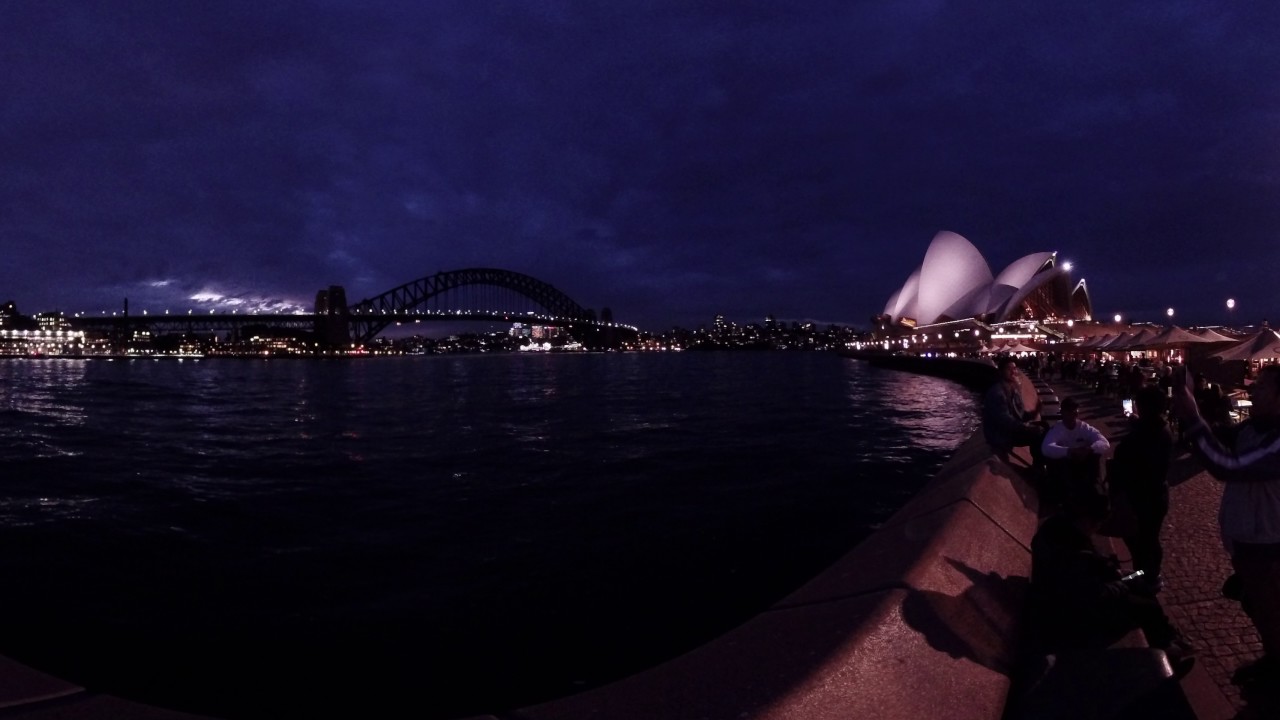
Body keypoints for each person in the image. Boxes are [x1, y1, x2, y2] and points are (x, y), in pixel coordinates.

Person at [1173, 364, 1280, 686]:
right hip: (1248, 540)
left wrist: (1193, 416)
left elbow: (1226, 466)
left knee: (1272, 611)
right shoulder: (1254, 428)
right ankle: (1272, 658)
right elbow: (1219, 438)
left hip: (1269, 544)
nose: (1252, 390)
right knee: (1259, 607)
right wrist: (1190, 402)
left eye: (1261, 386)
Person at [1029, 492, 1193, 670]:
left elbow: (1087, 574)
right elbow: (1094, 593)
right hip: (1076, 613)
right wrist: (1121, 582)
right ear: (1085, 519)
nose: (1097, 528)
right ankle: (1168, 652)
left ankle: (1167, 636)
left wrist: (1122, 574)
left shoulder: (1056, 528)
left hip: (1067, 595)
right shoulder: (1077, 556)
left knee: (1138, 579)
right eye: (1096, 523)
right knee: (1146, 604)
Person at [1112, 386, 1176, 592]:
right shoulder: (1159, 428)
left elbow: (1125, 457)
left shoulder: (1145, 434)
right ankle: (1147, 575)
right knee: (1149, 538)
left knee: (1141, 540)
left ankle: (1145, 578)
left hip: (1143, 496)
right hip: (1156, 494)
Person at [1040, 397, 1110, 508]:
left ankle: (1095, 489)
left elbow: (1104, 443)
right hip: (1067, 465)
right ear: (1062, 413)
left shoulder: (1083, 427)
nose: (1072, 416)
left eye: (1074, 413)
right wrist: (1069, 451)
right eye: (1069, 413)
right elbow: (1046, 448)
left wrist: (1089, 449)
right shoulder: (1057, 429)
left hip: (1082, 463)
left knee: (1095, 456)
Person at [983, 358, 1045, 467]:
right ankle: (1038, 467)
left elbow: (1019, 415)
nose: (1013, 372)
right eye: (1008, 369)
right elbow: (1005, 421)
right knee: (1038, 433)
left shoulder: (1012, 389)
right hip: (1001, 436)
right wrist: (1027, 428)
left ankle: (1041, 464)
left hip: (1008, 431)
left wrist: (1035, 411)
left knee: (1043, 426)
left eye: (1014, 369)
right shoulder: (997, 393)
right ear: (1001, 371)